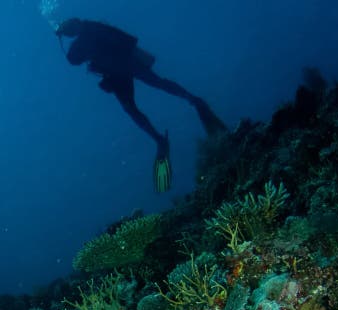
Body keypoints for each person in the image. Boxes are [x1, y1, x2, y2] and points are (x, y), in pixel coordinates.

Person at [55, 18, 226, 192]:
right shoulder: (85, 36)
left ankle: (189, 105)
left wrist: (63, 34)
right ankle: (182, 112)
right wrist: (63, 35)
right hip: (118, 72)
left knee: (153, 88)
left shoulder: (90, 30)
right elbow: (73, 59)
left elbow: (75, 57)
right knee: (140, 101)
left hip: (124, 65)